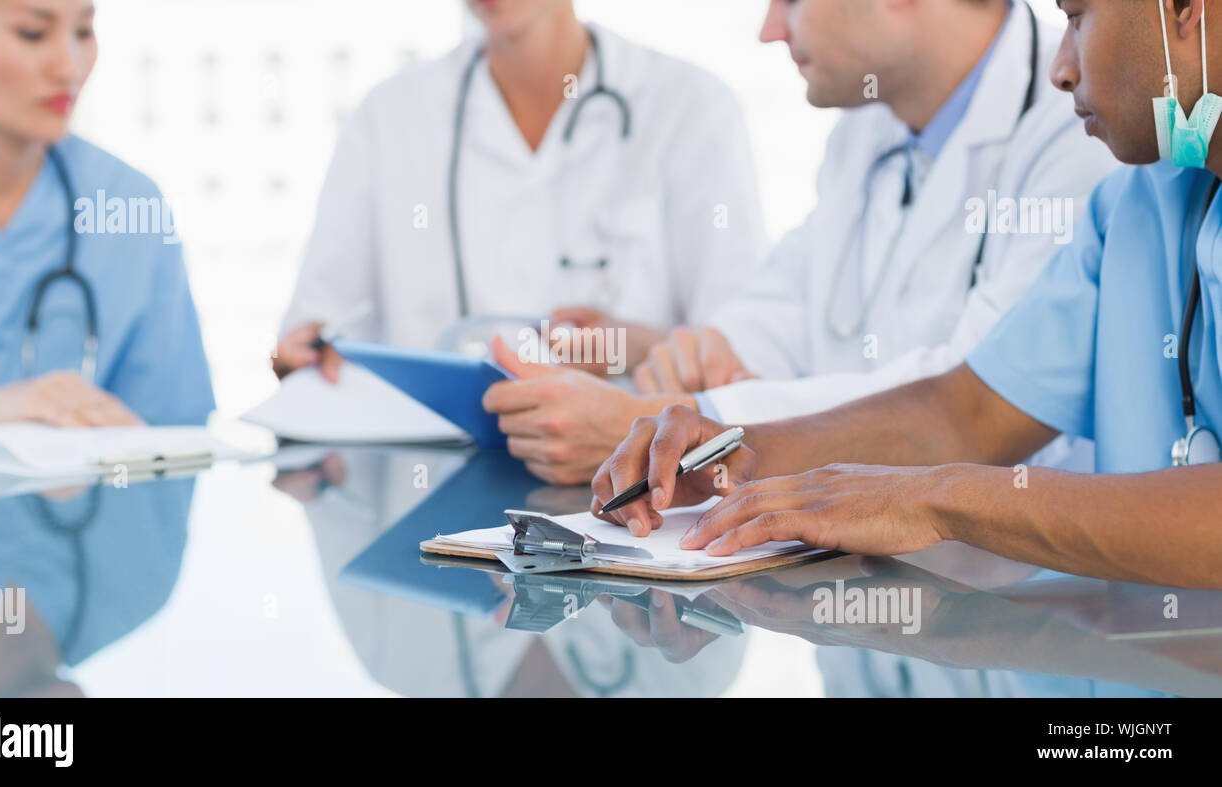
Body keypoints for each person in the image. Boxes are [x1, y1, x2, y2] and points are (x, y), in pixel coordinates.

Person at [591, 0, 1222, 591]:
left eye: (1078, 16)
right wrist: (736, 448)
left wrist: (934, 499)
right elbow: (967, 413)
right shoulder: (1145, 204)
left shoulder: (1095, 168)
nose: (1063, 69)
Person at [483, 0, 1117, 484]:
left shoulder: (1082, 131)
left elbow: (973, 400)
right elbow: (788, 305)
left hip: (1007, 600)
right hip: (857, 590)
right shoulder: (865, 129)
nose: (770, 29)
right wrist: (704, 358)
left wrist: (678, 423)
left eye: (791, 0)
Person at [272, 0, 765, 385]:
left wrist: (635, 347)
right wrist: (308, 349)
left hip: (627, 484)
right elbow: (323, 323)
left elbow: (740, 358)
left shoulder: (691, 106)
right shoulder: (389, 114)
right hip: (434, 478)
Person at [0, 0, 214, 430]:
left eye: (83, 32)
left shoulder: (128, 205)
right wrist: (0, 409)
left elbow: (170, 433)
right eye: (32, 33)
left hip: (86, 500)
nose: (69, 68)